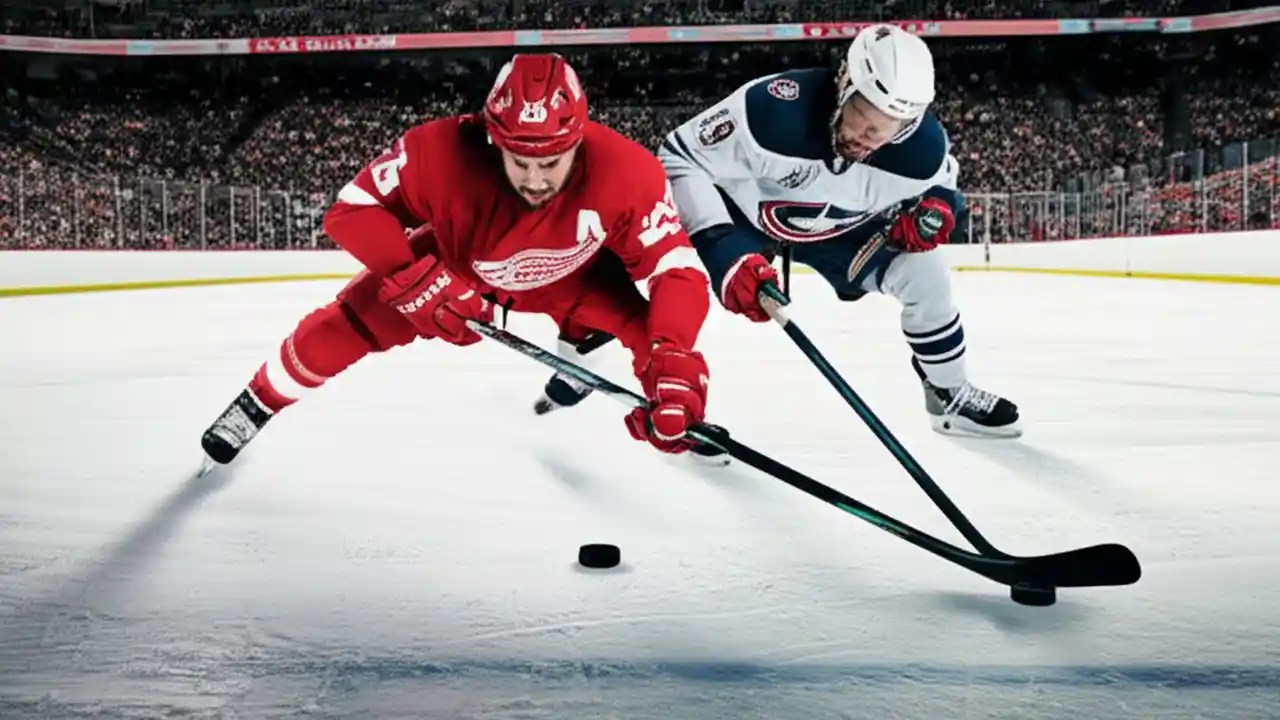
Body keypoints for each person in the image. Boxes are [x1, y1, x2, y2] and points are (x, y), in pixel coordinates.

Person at [199, 53, 715, 467]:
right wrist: (414, 278)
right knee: (340, 328)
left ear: (578, 141)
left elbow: (676, 268)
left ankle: (655, 393)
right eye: (520, 161)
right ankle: (258, 401)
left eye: (551, 163)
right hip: (457, 265)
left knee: (658, 343)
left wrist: (674, 357)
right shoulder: (438, 149)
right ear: (493, 139)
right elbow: (349, 210)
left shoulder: (629, 171)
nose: (535, 180)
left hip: (576, 280)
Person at [655, 24, 1021, 438]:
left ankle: (948, 392)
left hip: (840, 233)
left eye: (886, 129)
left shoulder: (921, 147)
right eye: (862, 118)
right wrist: (722, 247)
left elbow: (943, 188)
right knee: (671, 275)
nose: (867, 139)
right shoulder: (770, 110)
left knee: (926, 273)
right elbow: (679, 157)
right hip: (745, 218)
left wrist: (937, 210)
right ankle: (663, 390)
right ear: (845, 82)